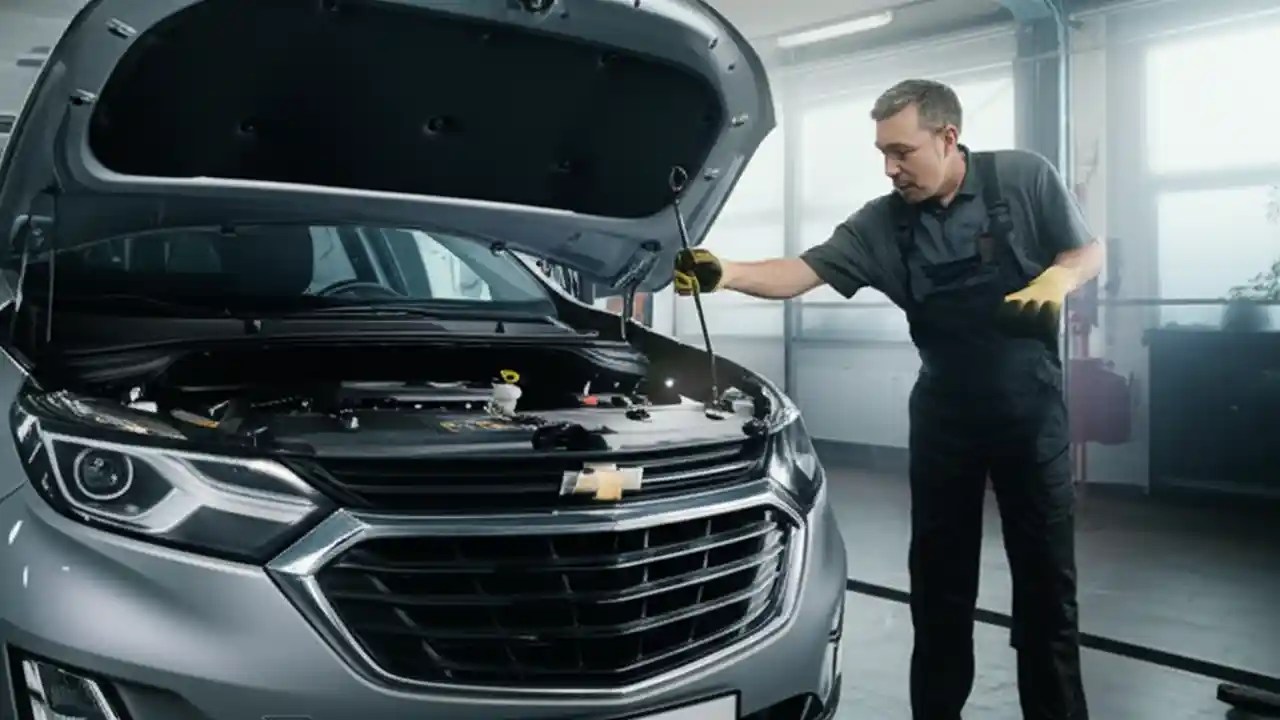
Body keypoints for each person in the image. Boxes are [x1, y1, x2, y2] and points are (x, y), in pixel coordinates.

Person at [674, 79, 1100, 720]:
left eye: (902, 151)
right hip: (944, 417)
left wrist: (1062, 275)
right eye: (883, 153)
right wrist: (726, 272)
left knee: (1047, 592)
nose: (890, 167)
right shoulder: (882, 221)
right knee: (938, 592)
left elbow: (1088, 247)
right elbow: (803, 269)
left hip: (1030, 413)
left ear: (948, 137)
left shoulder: (1023, 178)